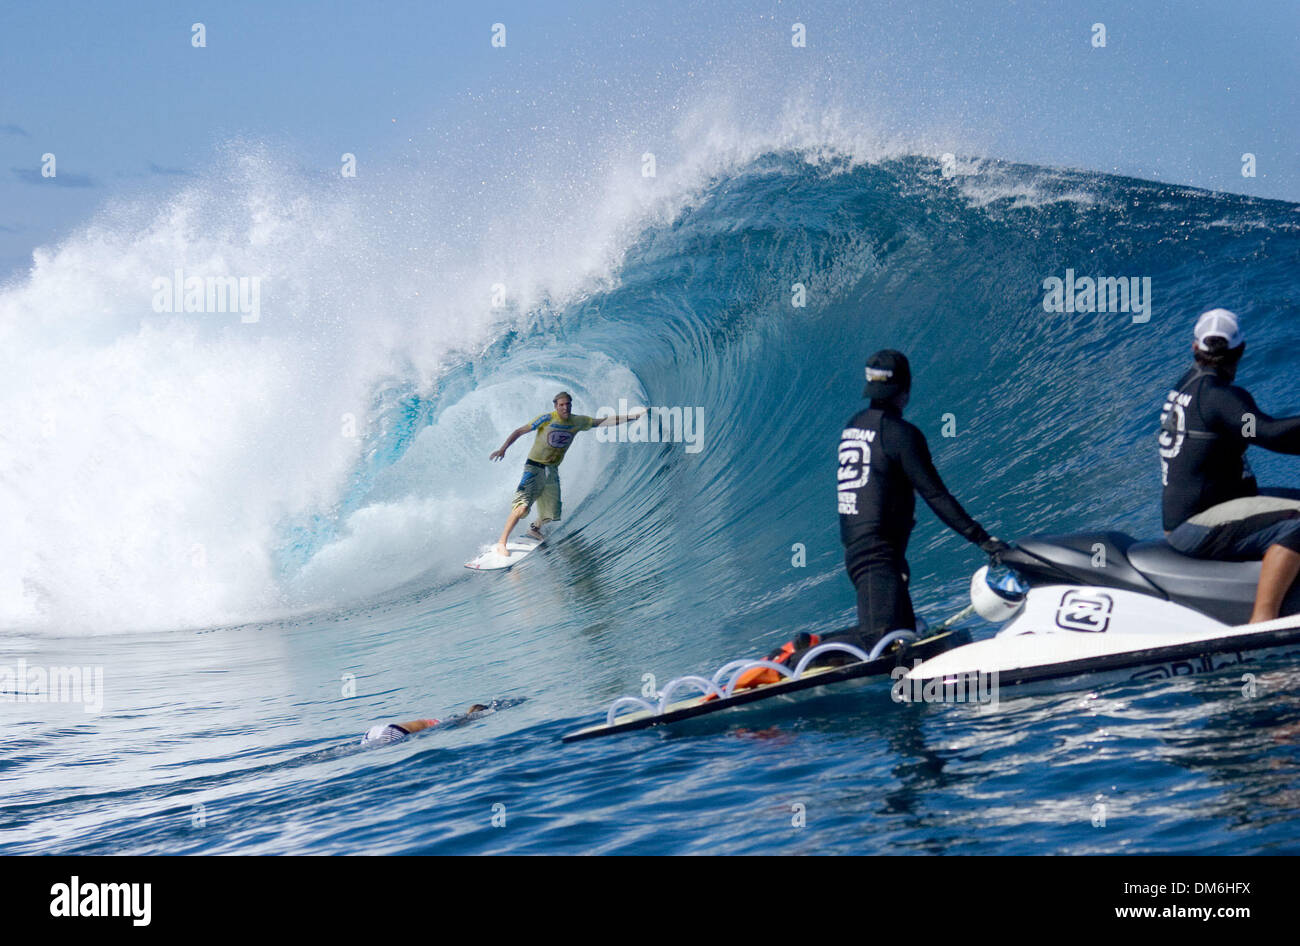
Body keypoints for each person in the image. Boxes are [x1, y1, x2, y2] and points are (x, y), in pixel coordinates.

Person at [728, 349, 1006, 692]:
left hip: (862, 546)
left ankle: (812, 646)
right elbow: (936, 495)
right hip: (877, 551)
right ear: (904, 390)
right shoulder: (901, 434)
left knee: (904, 637)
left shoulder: (855, 426)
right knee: (883, 641)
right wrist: (983, 540)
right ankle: (799, 653)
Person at [1159, 309, 1300, 623]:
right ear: (1241, 350)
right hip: (1198, 524)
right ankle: (1263, 622)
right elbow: (1268, 433)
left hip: (1199, 513)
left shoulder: (1187, 386)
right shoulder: (1219, 397)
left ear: (1195, 347)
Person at [489, 391, 644, 556]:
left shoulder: (578, 421)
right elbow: (520, 431)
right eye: (561, 405)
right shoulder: (547, 418)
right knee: (522, 507)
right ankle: (501, 543)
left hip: (551, 471)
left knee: (552, 514)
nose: (565, 407)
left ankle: (534, 529)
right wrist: (503, 448)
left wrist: (633, 416)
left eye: (568, 404)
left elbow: (603, 422)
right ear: (556, 406)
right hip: (534, 468)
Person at [359, 703, 494, 748]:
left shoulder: (441, 720)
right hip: (393, 732)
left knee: (364, 748)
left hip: (375, 730)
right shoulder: (451, 722)